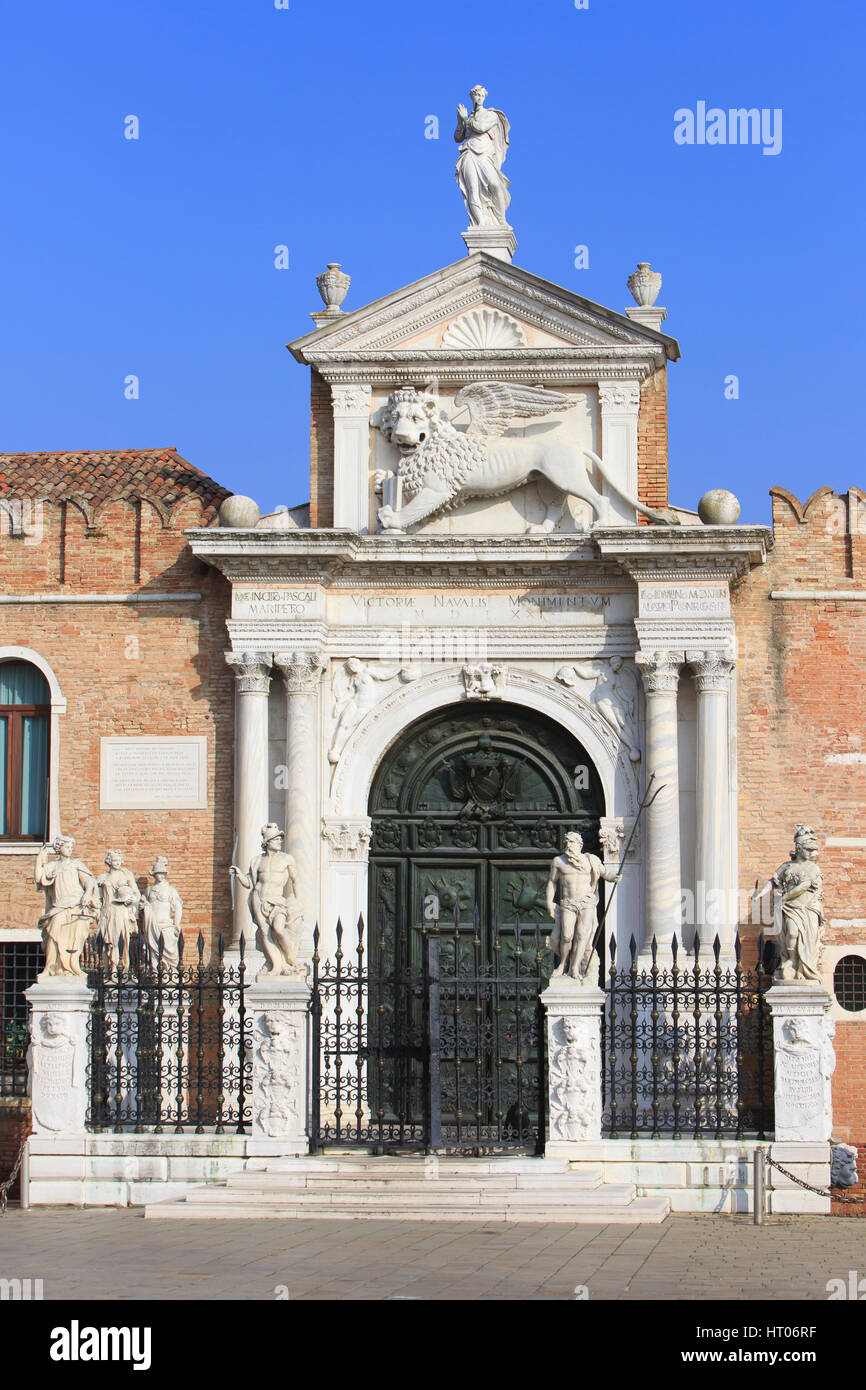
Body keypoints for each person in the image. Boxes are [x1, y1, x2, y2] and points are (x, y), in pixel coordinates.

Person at [230, 824, 304, 980]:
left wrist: (297, 901)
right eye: (275, 839)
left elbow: (296, 880)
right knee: (264, 932)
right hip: (259, 899)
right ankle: (276, 965)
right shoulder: (257, 860)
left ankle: (290, 957)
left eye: (279, 839)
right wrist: (238, 874)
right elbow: (250, 883)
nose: (279, 842)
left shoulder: (287, 859)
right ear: (267, 842)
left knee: (278, 928)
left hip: (277, 901)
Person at [546, 831, 620, 982]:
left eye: (571, 842)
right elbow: (552, 882)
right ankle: (563, 964)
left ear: (579, 845)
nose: (568, 846)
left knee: (582, 936)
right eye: (566, 843)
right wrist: (549, 903)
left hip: (586, 902)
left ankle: (575, 967)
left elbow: (605, 874)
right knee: (566, 936)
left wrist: (615, 877)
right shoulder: (559, 861)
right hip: (568, 902)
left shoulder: (590, 860)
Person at [34, 836, 98, 981]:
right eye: (67, 846)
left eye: (71, 847)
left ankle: (72, 966)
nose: (70, 849)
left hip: (76, 903)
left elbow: (89, 881)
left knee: (75, 937)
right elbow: (39, 878)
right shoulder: (52, 866)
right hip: (59, 905)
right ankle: (50, 967)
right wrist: (40, 860)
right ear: (59, 848)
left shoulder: (76, 864)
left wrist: (87, 893)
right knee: (53, 932)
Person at [454, 86, 511, 227]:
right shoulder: (468, 117)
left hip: (484, 155)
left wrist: (465, 118)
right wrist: (460, 122)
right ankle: (480, 223)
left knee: (495, 184)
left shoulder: (491, 115)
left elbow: (480, 128)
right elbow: (457, 137)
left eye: (480, 95)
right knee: (473, 190)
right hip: (469, 154)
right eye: (475, 96)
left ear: (484, 97)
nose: (477, 98)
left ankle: (500, 219)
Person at [97, 849, 141, 972]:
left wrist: (129, 899)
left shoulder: (126, 875)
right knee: (108, 941)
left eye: (119, 860)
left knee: (120, 939)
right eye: (114, 860)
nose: (117, 863)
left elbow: (137, 895)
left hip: (122, 911)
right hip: (107, 911)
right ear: (109, 862)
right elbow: (97, 899)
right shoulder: (102, 877)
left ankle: (121, 970)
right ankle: (110, 969)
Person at [140, 856, 183, 968]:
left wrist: (177, 923)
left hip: (166, 925)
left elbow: (178, 907)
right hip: (152, 925)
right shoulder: (149, 890)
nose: (161, 876)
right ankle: (155, 974)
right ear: (154, 874)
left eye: (163, 873)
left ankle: (170, 974)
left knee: (170, 952)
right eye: (159, 873)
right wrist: (144, 906)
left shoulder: (170, 890)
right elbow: (141, 903)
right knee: (153, 954)